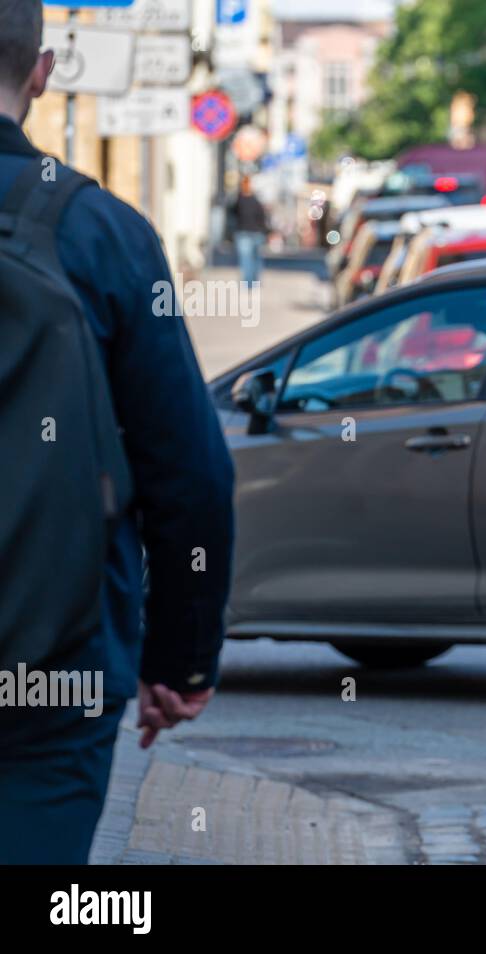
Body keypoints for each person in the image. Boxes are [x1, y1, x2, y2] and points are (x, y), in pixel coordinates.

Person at [0, 0, 234, 864]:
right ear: (42, 71)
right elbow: (192, 474)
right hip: (54, 668)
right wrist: (180, 660)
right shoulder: (106, 232)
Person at [232, 174, 269, 284]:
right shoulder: (256, 201)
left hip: (245, 232)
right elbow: (262, 217)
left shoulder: (240, 200)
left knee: (247, 258)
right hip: (254, 233)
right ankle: (253, 280)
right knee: (254, 257)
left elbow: (233, 213)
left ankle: (249, 280)